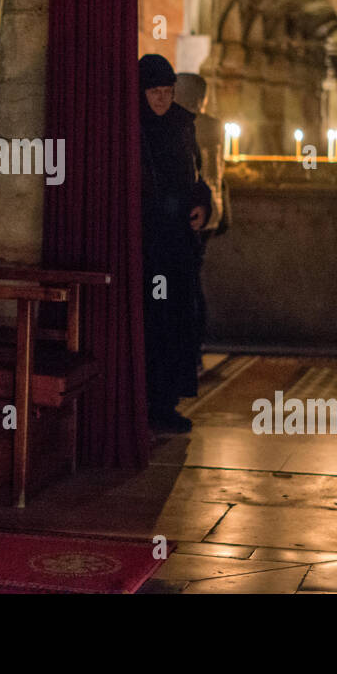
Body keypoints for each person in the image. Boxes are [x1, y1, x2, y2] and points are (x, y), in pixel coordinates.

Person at [139, 55, 212, 434]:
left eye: (167, 92)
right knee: (154, 322)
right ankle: (147, 402)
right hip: (148, 244)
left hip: (178, 245)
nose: (162, 99)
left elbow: (196, 176)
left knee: (178, 322)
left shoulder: (183, 124)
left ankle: (166, 402)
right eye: (155, 91)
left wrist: (202, 204)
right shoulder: (134, 126)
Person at [173, 73, 230, 375]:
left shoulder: (190, 124)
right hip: (211, 211)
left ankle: (190, 348)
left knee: (190, 284)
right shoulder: (213, 125)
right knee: (193, 281)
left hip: (196, 212)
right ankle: (193, 350)